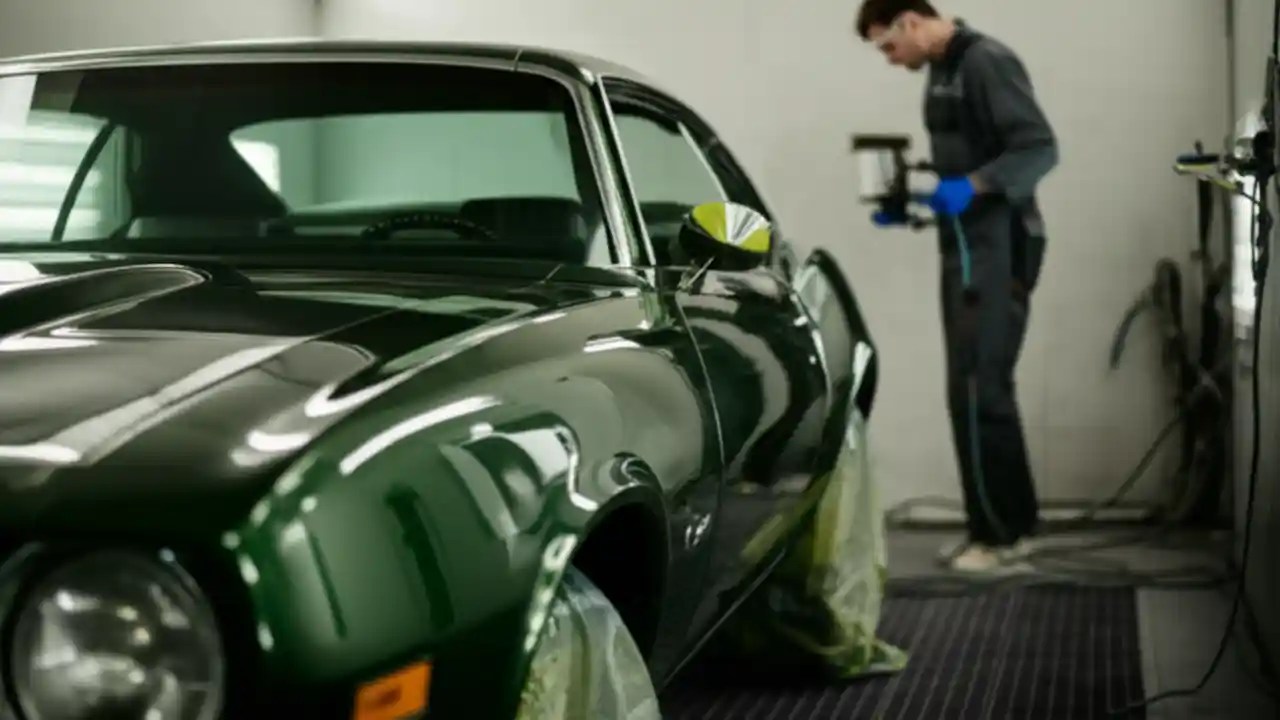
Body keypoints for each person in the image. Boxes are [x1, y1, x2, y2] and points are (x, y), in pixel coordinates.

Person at [855, 0, 1058, 572]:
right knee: (973, 390)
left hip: (999, 249)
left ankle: (998, 538)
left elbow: (1039, 147)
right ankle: (1005, 528)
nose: (890, 59)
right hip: (965, 248)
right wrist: (916, 206)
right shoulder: (943, 70)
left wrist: (973, 185)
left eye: (889, 46)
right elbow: (959, 167)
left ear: (911, 22)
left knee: (979, 389)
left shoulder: (987, 62)